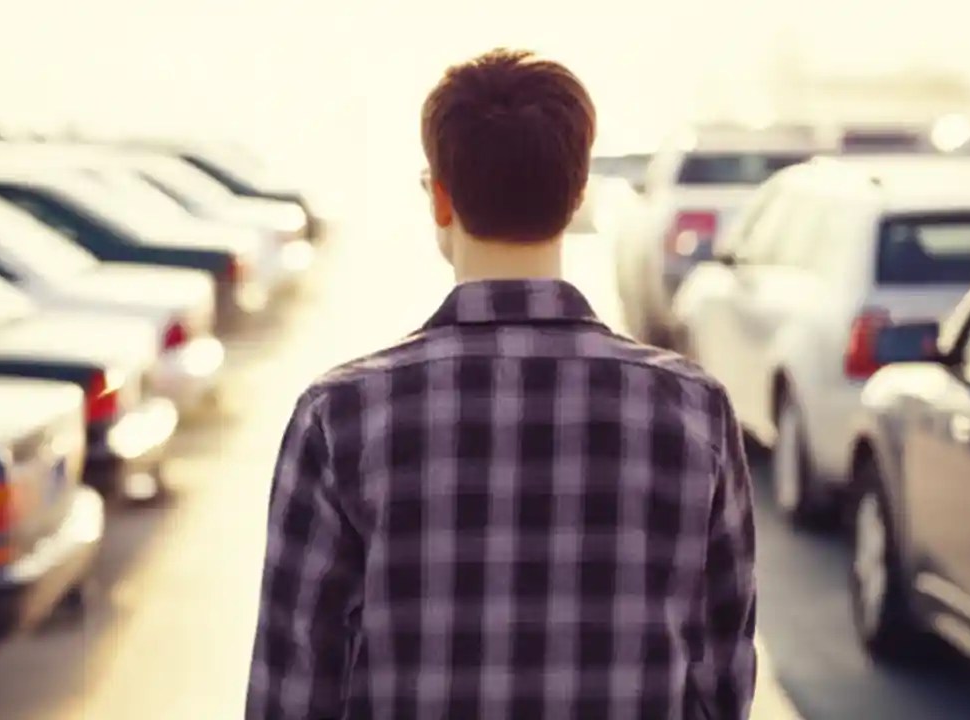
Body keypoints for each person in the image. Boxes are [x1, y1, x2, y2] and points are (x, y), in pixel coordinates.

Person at [246, 48, 756, 719]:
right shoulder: (694, 412)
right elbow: (722, 688)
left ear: (440, 197)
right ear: (577, 196)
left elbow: (291, 695)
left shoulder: (340, 417)